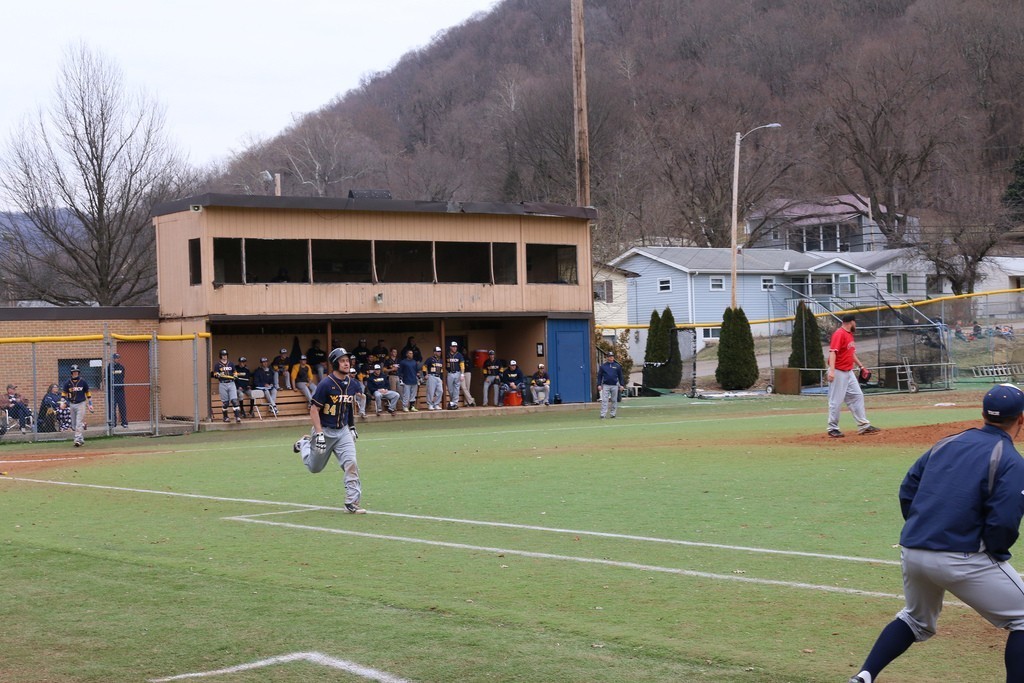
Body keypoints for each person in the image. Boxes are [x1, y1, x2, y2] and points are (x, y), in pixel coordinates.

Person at [845, 383, 1024, 683]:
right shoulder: (1010, 458)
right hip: (961, 557)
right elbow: (1003, 520)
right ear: (1022, 419)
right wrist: (996, 551)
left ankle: (864, 675)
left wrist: (922, 528)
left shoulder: (947, 442)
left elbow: (908, 488)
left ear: (982, 413)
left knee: (916, 620)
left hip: (914, 549)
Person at [291, 348, 367, 514]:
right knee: (314, 468)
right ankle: (304, 443)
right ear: (334, 363)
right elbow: (313, 410)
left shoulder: (353, 384)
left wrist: (352, 427)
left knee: (351, 463)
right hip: (324, 431)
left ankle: (352, 502)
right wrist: (318, 434)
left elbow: (348, 406)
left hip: (343, 432)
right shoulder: (325, 384)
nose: (346, 363)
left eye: (347, 360)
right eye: (342, 360)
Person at [826, 314, 880, 438]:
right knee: (836, 400)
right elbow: (833, 352)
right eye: (855, 322)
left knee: (857, 396)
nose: (856, 324)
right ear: (851, 322)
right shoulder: (839, 334)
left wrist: (861, 366)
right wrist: (832, 371)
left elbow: (851, 353)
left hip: (848, 371)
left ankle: (863, 426)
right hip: (838, 371)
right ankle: (832, 428)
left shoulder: (849, 334)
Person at [62, 365, 94, 446]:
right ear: (71, 373)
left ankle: (77, 439)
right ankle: (81, 437)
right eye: (74, 372)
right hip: (72, 404)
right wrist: (62, 402)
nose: (75, 373)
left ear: (79, 372)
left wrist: (90, 404)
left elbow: (88, 393)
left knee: (78, 422)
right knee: (74, 425)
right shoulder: (68, 382)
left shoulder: (83, 382)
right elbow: (64, 393)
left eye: (77, 372)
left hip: (81, 404)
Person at [211, 349, 242, 423]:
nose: (224, 357)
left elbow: (235, 372)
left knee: (234, 401)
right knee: (226, 403)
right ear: (220, 356)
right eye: (223, 355)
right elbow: (215, 374)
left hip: (231, 383)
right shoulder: (217, 365)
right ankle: (225, 417)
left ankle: (237, 417)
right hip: (223, 383)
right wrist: (217, 375)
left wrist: (235, 375)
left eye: (225, 355)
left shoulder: (231, 364)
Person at [596, 351, 624, 419]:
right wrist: (599, 384)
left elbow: (620, 376)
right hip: (606, 385)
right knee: (604, 400)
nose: (611, 358)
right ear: (607, 358)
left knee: (614, 400)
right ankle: (603, 414)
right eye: (610, 357)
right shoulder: (603, 366)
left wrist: (622, 385)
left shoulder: (617, 366)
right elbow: (599, 376)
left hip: (614, 385)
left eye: (612, 356)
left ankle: (613, 413)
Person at [106, 353, 128, 428]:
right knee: (112, 407)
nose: (117, 359)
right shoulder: (109, 367)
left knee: (122, 406)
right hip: (111, 391)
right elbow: (106, 378)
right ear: (113, 359)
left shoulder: (121, 367)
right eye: (115, 358)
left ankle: (124, 422)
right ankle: (113, 423)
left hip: (120, 390)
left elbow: (123, 376)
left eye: (118, 358)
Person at [423, 346, 445, 411]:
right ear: (434, 352)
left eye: (440, 351)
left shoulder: (441, 361)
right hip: (431, 376)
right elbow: (424, 366)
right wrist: (425, 374)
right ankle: (430, 404)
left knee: (440, 391)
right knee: (431, 391)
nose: (439, 353)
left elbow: (441, 370)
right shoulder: (430, 359)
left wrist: (441, 379)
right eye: (438, 351)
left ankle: (436, 404)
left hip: (438, 377)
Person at [445, 341, 465, 408]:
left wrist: (462, 374)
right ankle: (452, 402)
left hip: (457, 373)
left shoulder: (459, 355)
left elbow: (462, 365)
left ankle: (455, 403)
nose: (455, 348)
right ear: (450, 347)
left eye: (456, 347)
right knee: (450, 389)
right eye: (453, 346)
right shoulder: (447, 355)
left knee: (456, 389)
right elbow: (443, 364)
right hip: (450, 373)